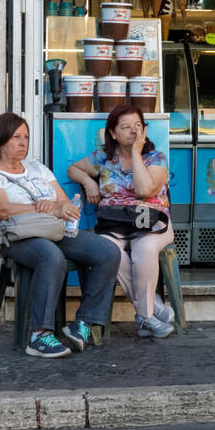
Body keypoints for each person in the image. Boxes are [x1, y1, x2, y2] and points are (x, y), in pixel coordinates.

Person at [0, 112, 121, 357]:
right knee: (50, 256)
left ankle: (82, 324)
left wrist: (61, 208)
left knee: (107, 251)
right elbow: (1, 210)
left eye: (26, 137)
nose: (23, 143)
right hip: (18, 237)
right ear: (0, 141)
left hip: (54, 229)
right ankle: (39, 336)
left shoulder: (38, 168)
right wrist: (41, 206)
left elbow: (63, 204)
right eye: (16, 137)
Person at [68, 105, 177, 339]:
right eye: (126, 127)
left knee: (144, 249)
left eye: (138, 126)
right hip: (114, 224)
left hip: (151, 222)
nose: (134, 132)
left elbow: (144, 189)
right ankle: (150, 310)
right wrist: (89, 182)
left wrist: (136, 153)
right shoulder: (103, 158)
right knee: (107, 252)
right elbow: (73, 169)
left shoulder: (156, 158)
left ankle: (145, 316)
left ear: (145, 130)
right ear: (113, 134)